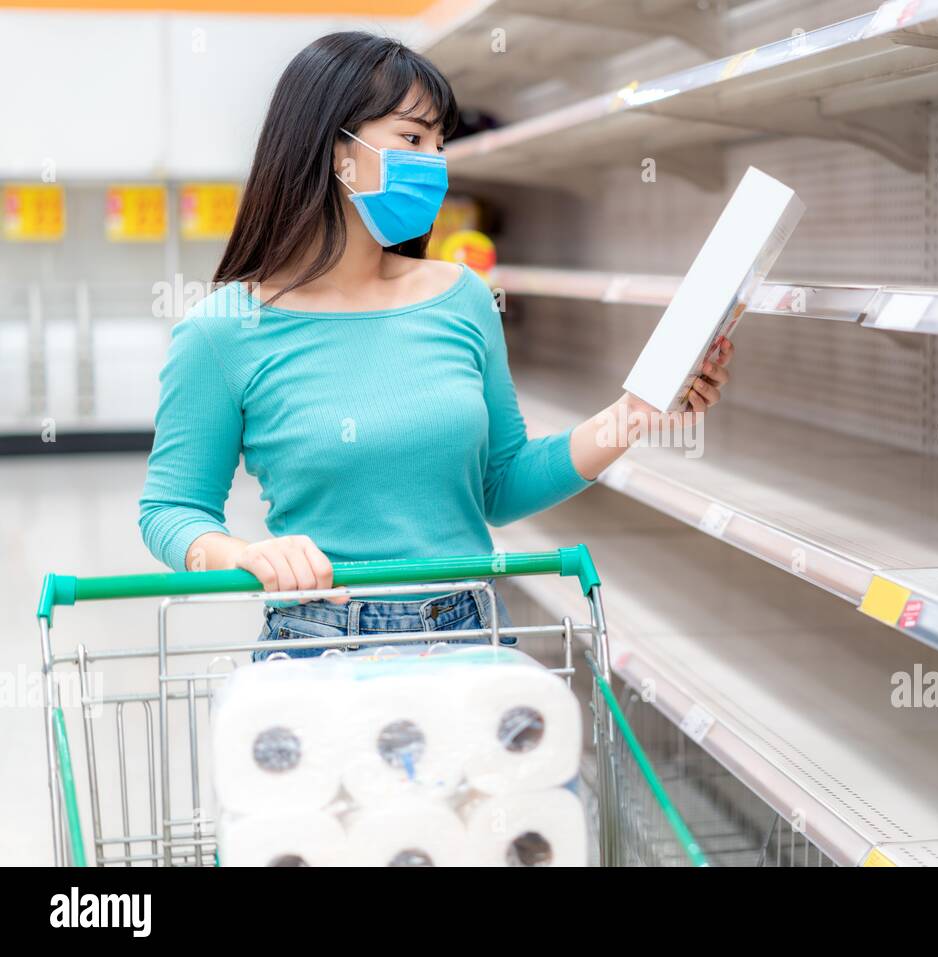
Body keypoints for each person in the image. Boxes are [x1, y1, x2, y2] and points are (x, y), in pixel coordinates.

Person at [138, 32, 732, 660]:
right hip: (319, 641)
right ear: (338, 152)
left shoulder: (462, 297)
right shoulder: (223, 331)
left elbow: (500, 487)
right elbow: (171, 508)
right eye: (413, 139)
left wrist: (636, 414)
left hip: (472, 628)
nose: (435, 165)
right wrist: (245, 554)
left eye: (440, 145)